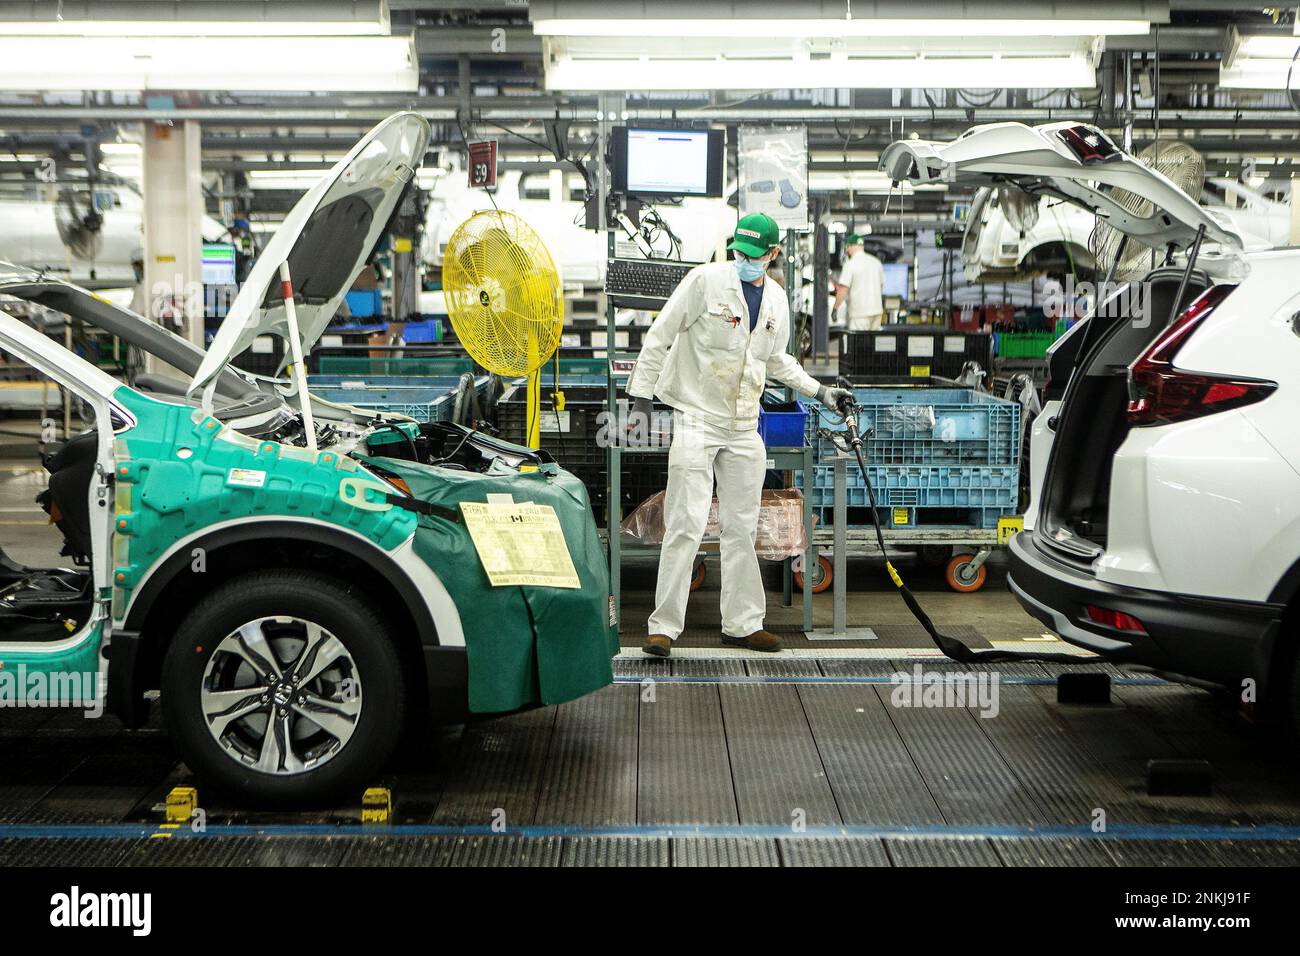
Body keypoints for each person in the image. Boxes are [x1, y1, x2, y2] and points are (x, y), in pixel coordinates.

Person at [627, 212, 853, 657]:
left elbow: (778, 360)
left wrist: (821, 391)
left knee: (741, 527)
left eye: (755, 255)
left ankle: (743, 623)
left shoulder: (777, 299)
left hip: (744, 425)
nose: (744, 261)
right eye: (739, 253)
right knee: (685, 523)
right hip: (696, 415)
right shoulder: (704, 282)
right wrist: (640, 396)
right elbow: (660, 334)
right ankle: (664, 627)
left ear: (773, 254)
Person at [834, 233, 886, 331]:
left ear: (850, 246)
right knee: (873, 343)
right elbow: (881, 286)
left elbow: (843, 289)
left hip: (860, 313)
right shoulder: (876, 262)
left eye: (847, 248)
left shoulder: (850, 264)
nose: (847, 251)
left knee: (859, 344)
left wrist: (835, 308)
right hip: (877, 311)